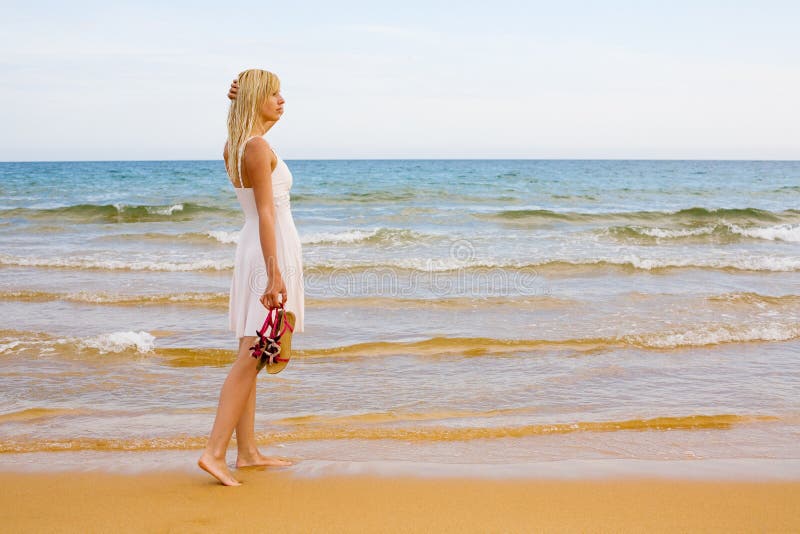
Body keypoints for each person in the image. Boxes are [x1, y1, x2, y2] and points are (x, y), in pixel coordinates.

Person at [198, 69, 305, 486]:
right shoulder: (257, 147)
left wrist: (237, 100)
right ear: (256, 98)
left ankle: (247, 452)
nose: (282, 100)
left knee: (252, 350)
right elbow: (266, 213)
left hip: (256, 251)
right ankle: (213, 452)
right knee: (253, 355)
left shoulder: (235, 144)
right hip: (268, 253)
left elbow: (260, 213)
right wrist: (275, 275)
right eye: (274, 93)